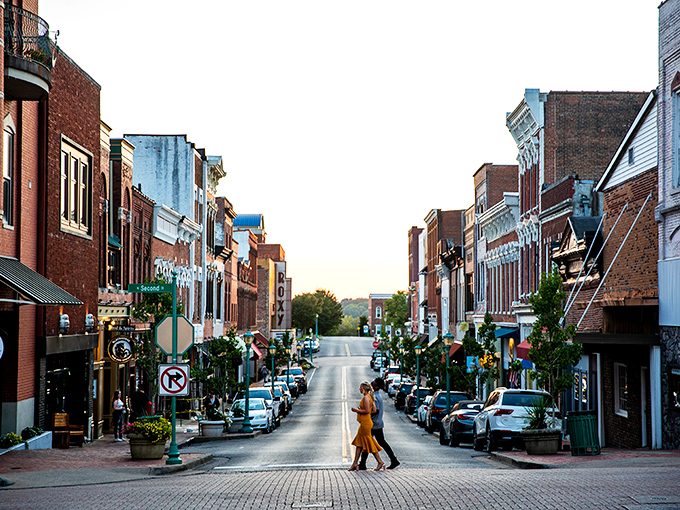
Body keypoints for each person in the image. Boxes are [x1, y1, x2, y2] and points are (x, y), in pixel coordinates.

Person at [359, 377, 400, 470]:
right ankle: (393, 460)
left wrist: (365, 411)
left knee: (367, 442)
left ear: (376, 385)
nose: (372, 382)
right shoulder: (375, 395)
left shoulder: (375, 397)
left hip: (374, 424)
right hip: (377, 423)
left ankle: (362, 464)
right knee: (381, 442)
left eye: (374, 382)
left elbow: (376, 410)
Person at [348, 381, 385, 471]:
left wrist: (357, 410)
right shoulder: (370, 397)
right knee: (359, 443)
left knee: (369, 442)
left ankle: (380, 461)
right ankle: (355, 463)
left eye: (360, 387)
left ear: (364, 388)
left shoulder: (366, 398)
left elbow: (367, 411)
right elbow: (374, 410)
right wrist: (363, 411)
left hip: (365, 423)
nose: (359, 389)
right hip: (366, 422)